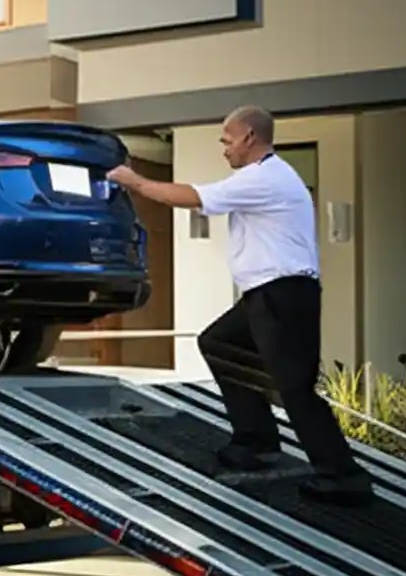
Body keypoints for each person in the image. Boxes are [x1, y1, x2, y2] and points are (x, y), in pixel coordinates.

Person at [106, 106, 373, 506]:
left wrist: (134, 181)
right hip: (264, 296)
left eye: (227, 138)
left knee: (295, 389)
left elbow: (190, 197)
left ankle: (344, 475)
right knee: (219, 343)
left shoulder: (265, 178)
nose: (223, 147)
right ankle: (256, 439)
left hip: (283, 295)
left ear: (250, 137)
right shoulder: (265, 177)